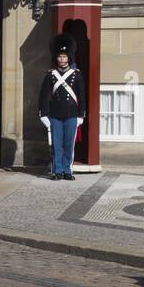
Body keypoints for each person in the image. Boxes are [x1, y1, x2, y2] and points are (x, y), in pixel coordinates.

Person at [39, 34, 86, 182]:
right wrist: (43, 114)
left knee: (68, 145)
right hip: (55, 114)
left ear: (69, 58)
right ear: (56, 58)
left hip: (71, 114)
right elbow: (43, 95)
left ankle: (67, 170)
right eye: (59, 56)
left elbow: (82, 96)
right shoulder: (50, 75)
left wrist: (81, 115)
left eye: (64, 56)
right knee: (56, 145)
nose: (62, 59)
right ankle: (57, 170)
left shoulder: (77, 75)